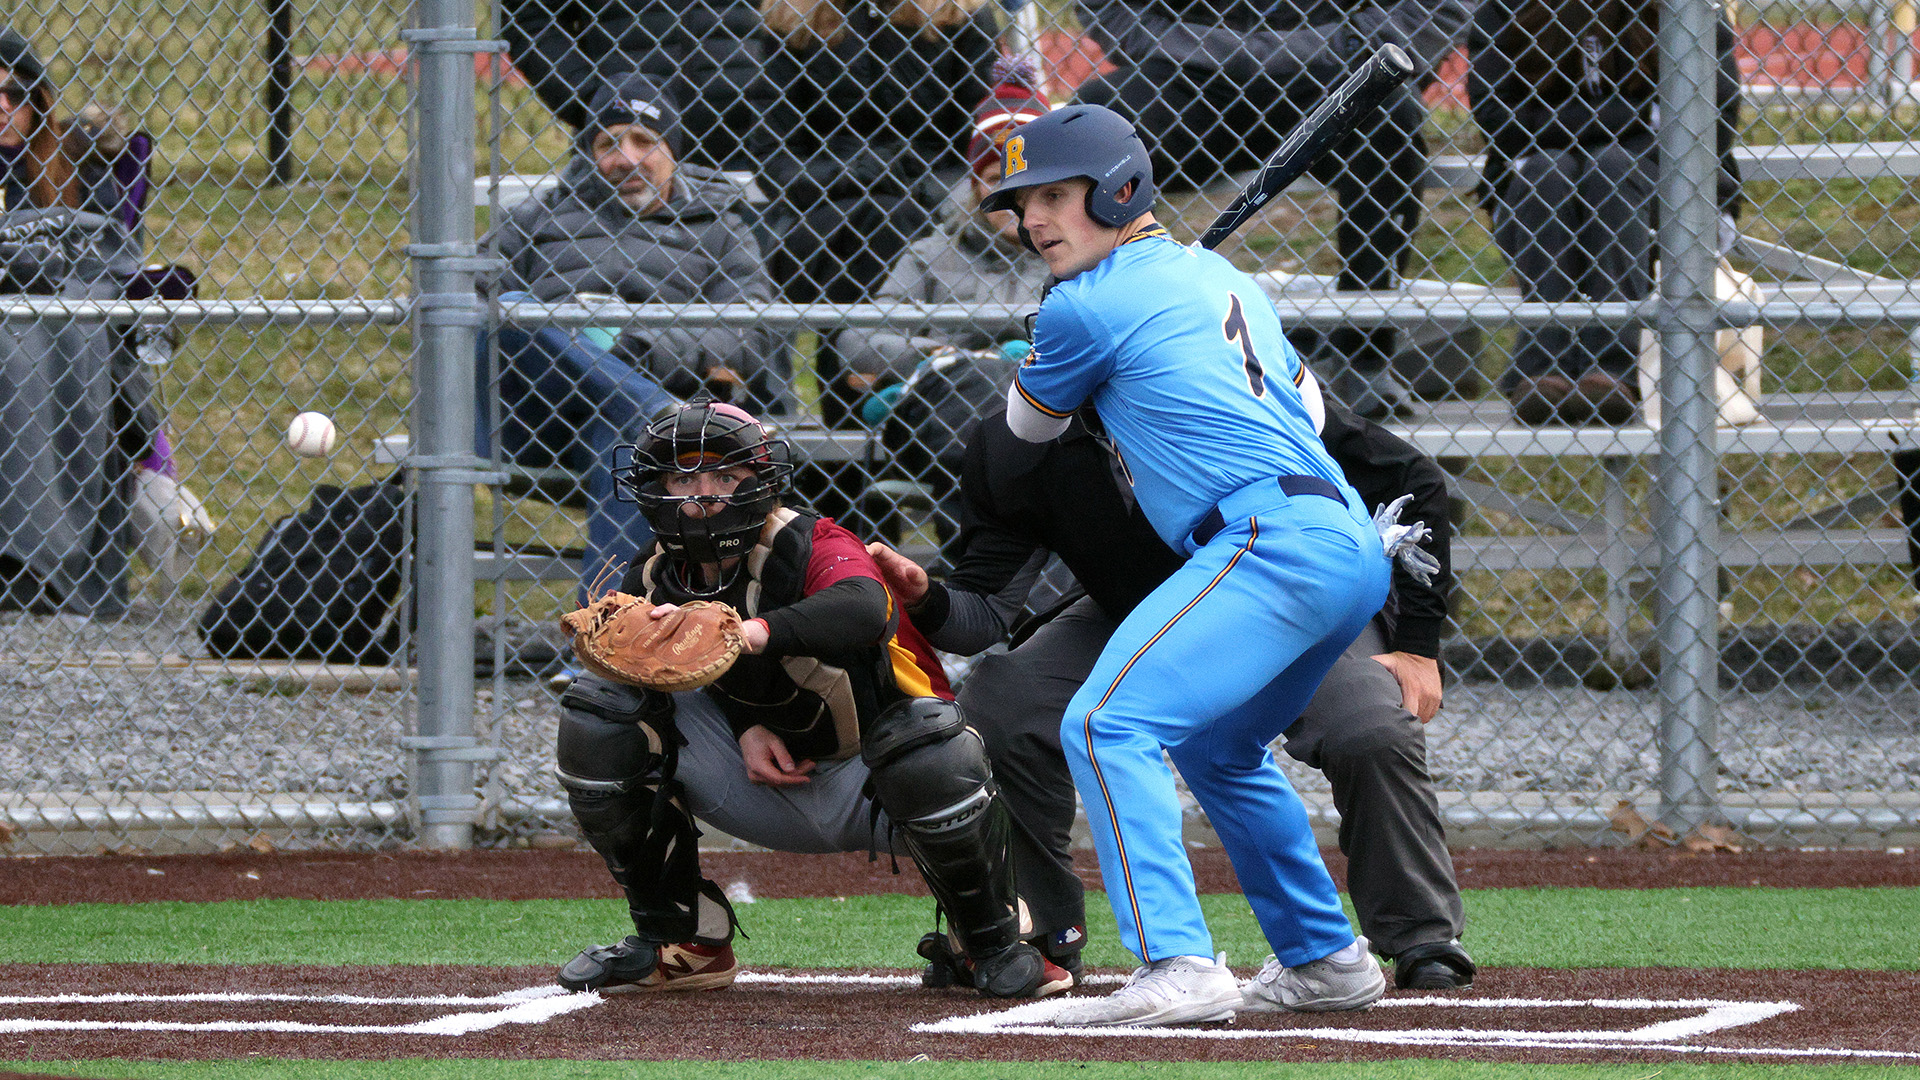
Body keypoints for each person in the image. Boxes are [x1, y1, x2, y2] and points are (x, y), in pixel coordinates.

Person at [973, 103, 1398, 1026]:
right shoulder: (1223, 276)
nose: (1034, 219)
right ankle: (1325, 957)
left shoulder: (1084, 305)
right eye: (1022, 203)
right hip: (1346, 543)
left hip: (1266, 540)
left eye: (1055, 195)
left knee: (1101, 724)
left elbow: (1023, 434)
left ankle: (1177, 962)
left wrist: (1051, 346)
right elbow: (1313, 414)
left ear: (1119, 188)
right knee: (1218, 746)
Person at [868, 391, 1475, 995]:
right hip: (1144, 609)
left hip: (1284, 595)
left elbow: (1410, 478)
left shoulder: (1218, 377)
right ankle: (1035, 933)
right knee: (1007, 701)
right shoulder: (1018, 439)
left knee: (1367, 724)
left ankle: (1422, 935)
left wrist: (1419, 644)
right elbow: (985, 609)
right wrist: (925, 596)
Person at [552, 399, 1074, 1000]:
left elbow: (862, 607)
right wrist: (745, 721)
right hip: (759, 779)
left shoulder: (812, 540)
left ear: (762, 484)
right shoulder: (651, 574)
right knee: (599, 708)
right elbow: (688, 666)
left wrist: (740, 634)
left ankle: (988, 942)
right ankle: (683, 940)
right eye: (683, 479)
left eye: (726, 477)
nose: (704, 496)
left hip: (887, 784)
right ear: (654, 489)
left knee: (928, 736)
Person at [1070, 0, 1470, 420]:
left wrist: (1360, 37)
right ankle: (1108, 346)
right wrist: (1171, 42)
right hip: (1188, 68)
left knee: (1393, 117)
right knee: (1098, 121)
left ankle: (1363, 357)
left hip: (1336, 66)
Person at [479, 73, 784, 594]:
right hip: (538, 413)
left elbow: (749, 326)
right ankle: (654, 407)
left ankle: (606, 641)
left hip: (640, 423)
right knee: (508, 306)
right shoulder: (536, 216)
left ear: (674, 150)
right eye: (606, 143)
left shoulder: (719, 225)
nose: (625, 157)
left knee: (626, 431)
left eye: (644, 140)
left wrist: (647, 349)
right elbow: (468, 289)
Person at [1470, 0, 1743, 425]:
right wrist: (1638, 116)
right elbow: (1498, 118)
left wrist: (1554, 124)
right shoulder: (1506, 7)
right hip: (1540, 198)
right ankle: (1543, 367)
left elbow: (1710, 114)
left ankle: (1613, 370)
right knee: (1550, 172)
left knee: (1610, 168)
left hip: (1672, 206)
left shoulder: (1686, 6)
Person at [755, 0, 998, 421]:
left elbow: (980, 139)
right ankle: (883, 426)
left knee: (890, 219)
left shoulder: (962, 12)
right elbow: (771, 154)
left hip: (932, 198)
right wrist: (852, 174)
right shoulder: (791, 14)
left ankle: (850, 439)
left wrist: (905, 176)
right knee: (874, 219)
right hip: (823, 206)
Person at [500, 0, 774, 171]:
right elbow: (530, 17)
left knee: (752, 262)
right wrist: (593, 99)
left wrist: (782, 103)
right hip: (623, 149)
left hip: (755, 144)